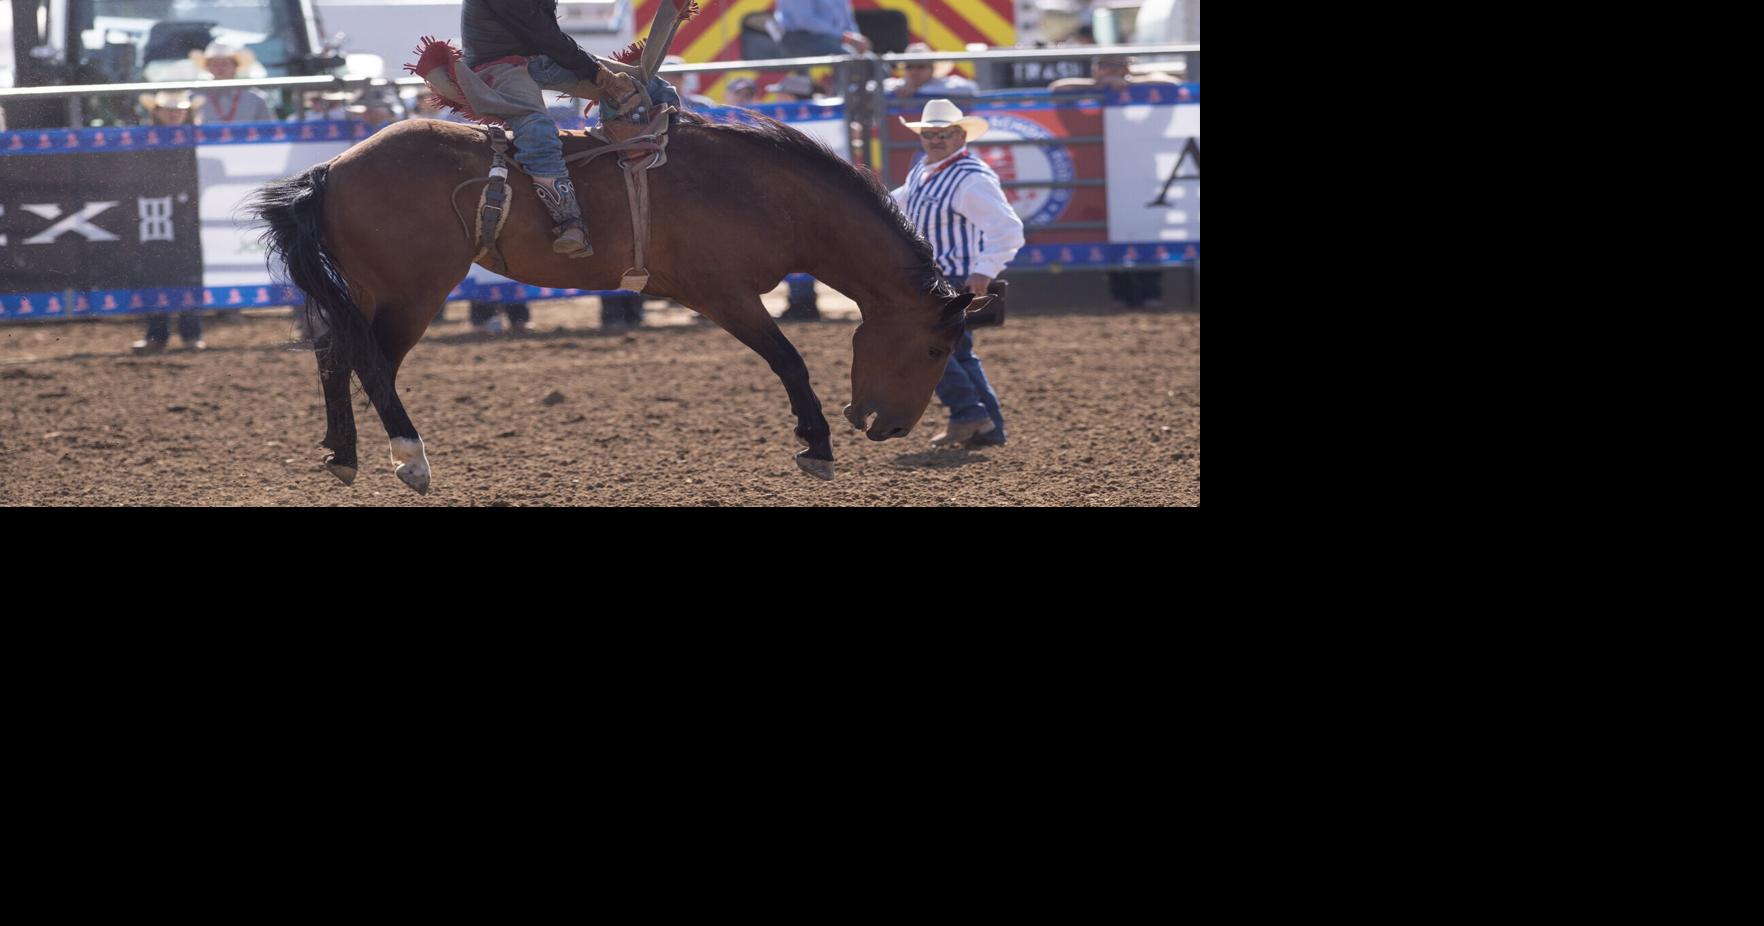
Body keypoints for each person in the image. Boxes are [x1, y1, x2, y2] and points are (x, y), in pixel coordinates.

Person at [455, 0, 646, 258]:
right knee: (537, 129)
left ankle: (650, 174)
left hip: (537, 57)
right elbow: (543, 33)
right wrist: (597, 73)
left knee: (645, 89)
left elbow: (545, 35)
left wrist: (601, 74)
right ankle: (570, 221)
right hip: (497, 65)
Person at [891, 99, 1024, 447]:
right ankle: (988, 427)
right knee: (957, 353)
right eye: (930, 133)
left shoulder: (970, 178)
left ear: (961, 135)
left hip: (950, 278)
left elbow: (1007, 229)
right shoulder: (925, 169)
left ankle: (969, 414)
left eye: (944, 133)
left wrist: (983, 271)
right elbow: (903, 200)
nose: (936, 139)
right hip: (939, 277)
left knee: (925, 348)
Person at [131, 92, 205, 353]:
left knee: (189, 271)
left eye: (179, 109)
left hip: (189, 214)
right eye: (168, 109)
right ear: (157, 112)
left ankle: (191, 333)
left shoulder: (198, 139)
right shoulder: (145, 141)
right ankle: (157, 334)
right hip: (156, 212)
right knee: (156, 269)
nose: (174, 114)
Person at [191, 43, 276, 124]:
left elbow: (268, 129)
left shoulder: (256, 98)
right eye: (214, 64)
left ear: (236, 66)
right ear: (208, 67)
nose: (220, 68)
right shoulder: (194, 96)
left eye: (225, 64)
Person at [772, 0, 871, 57]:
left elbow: (846, 20)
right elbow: (805, 20)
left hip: (834, 39)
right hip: (801, 38)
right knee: (850, 61)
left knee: (873, 62)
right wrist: (844, 37)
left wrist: (856, 38)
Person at [884, 43, 980, 98]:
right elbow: (873, 87)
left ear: (932, 69)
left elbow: (971, 88)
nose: (914, 71)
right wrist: (897, 88)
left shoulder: (944, 83)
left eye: (921, 66)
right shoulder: (896, 84)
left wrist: (917, 91)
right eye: (909, 66)